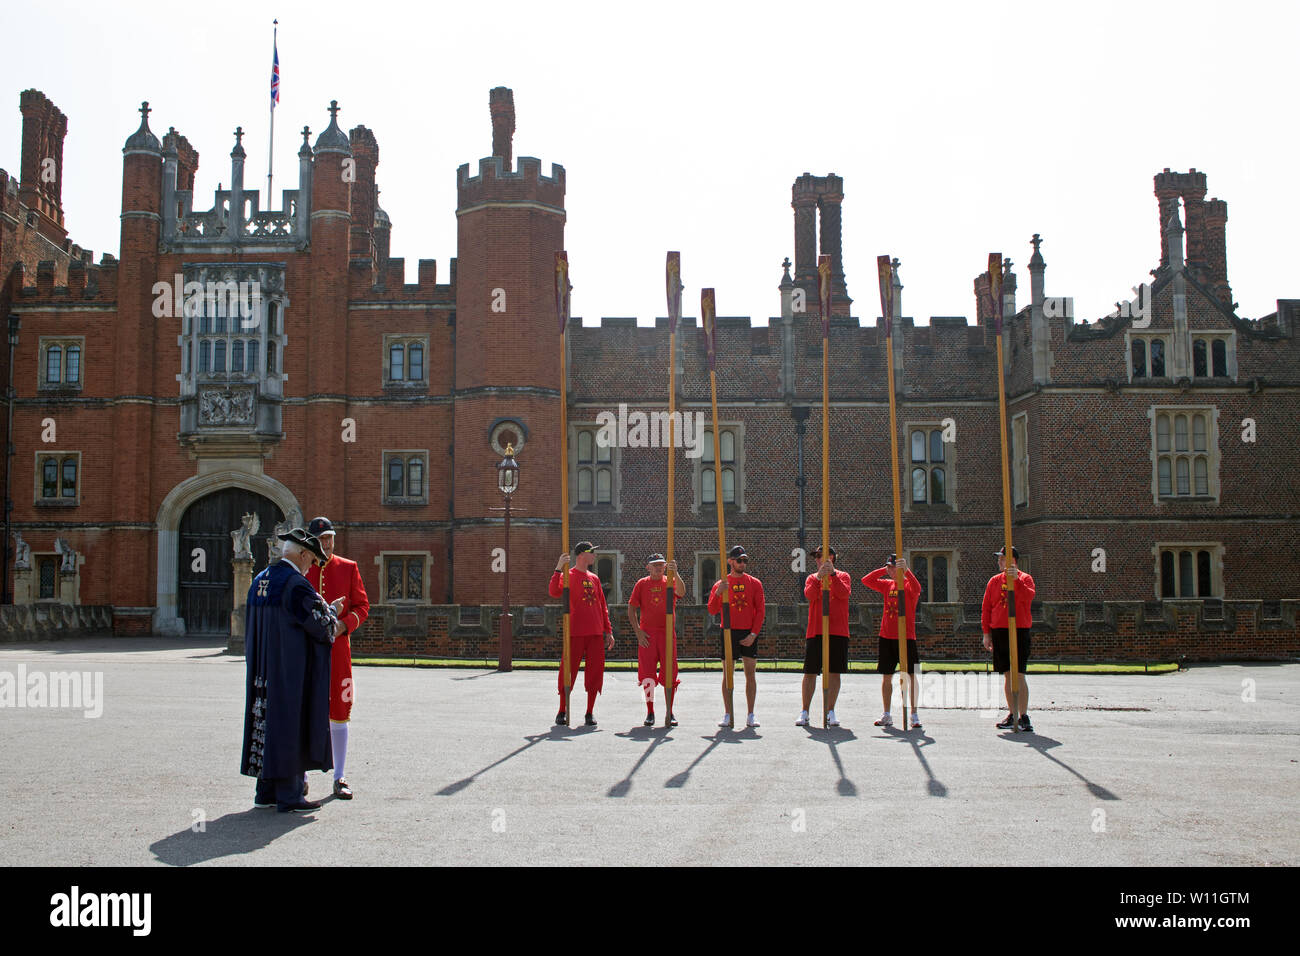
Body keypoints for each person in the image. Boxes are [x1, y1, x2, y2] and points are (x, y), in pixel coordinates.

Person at [240, 528, 341, 813]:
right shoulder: (295, 584)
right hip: (290, 670)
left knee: (265, 722)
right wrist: (331, 611)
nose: (311, 568)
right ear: (303, 554)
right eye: (311, 561)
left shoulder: (260, 579)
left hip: (262, 669)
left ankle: (266, 791)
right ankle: (290, 794)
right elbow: (321, 626)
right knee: (289, 723)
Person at [304, 516, 370, 800]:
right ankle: (300, 774)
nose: (327, 544)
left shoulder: (348, 567)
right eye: (321, 539)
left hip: (338, 651)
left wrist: (345, 625)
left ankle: (340, 775)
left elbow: (363, 606)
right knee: (304, 708)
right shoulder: (300, 570)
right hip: (306, 649)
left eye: (330, 538)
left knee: (340, 709)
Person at [549, 542, 615, 727]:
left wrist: (608, 631)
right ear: (581, 555)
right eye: (591, 552)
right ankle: (562, 709)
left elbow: (603, 606)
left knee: (595, 673)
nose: (594, 555)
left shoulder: (594, 578)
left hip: (595, 632)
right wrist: (557, 569)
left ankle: (589, 712)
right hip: (575, 632)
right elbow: (554, 592)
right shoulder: (568, 576)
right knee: (568, 671)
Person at [707, 545, 765, 729]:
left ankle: (750, 714)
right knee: (727, 674)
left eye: (745, 560)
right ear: (730, 561)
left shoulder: (754, 583)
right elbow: (712, 609)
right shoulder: (721, 583)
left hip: (748, 631)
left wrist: (753, 634)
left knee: (750, 674)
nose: (742, 563)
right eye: (739, 560)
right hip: (728, 631)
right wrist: (718, 593)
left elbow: (761, 610)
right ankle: (727, 713)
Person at [861, 555, 922, 729]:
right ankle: (887, 713)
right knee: (886, 676)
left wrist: (907, 571)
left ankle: (914, 714)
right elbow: (867, 580)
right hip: (887, 636)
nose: (891, 570)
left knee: (911, 675)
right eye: (890, 567)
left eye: (893, 567)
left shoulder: (909, 585)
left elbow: (918, 588)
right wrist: (884, 569)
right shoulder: (888, 585)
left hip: (907, 636)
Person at [981, 545, 1037, 732]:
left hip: (1019, 630)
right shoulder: (994, 581)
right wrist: (986, 633)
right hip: (1000, 631)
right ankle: (1012, 713)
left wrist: (1016, 581)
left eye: (1002, 558)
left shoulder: (1025, 578)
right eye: (999, 558)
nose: (999, 561)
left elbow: (1028, 597)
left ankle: (1024, 715)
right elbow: (987, 608)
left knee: (1019, 674)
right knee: (1007, 674)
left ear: (1012, 560)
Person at [627, 554, 685, 726]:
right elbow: (631, 608)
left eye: (661, 565)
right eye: (655, 565)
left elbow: (681, 592)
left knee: (670, 673)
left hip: (667, 634)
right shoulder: (642, 584)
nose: (659, 568)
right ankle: (650, 711)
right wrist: (638, 632)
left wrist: (677, 573)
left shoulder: (670, 581)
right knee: (647, 675)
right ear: (648, 567)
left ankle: (669, 711)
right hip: (648, 635)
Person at [799, 546, 851, 727]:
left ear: (832, 558)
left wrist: (833, 576)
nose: (819, 560)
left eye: (822, 556)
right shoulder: (812, 578)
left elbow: (843, 593)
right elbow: (810, 595)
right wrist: (820, 577)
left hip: (837, 631)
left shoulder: (843, 576)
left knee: (834, 672)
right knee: (810, 672)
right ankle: (805, 711)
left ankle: (830, 710)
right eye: (817, 557)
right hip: (816, 630)